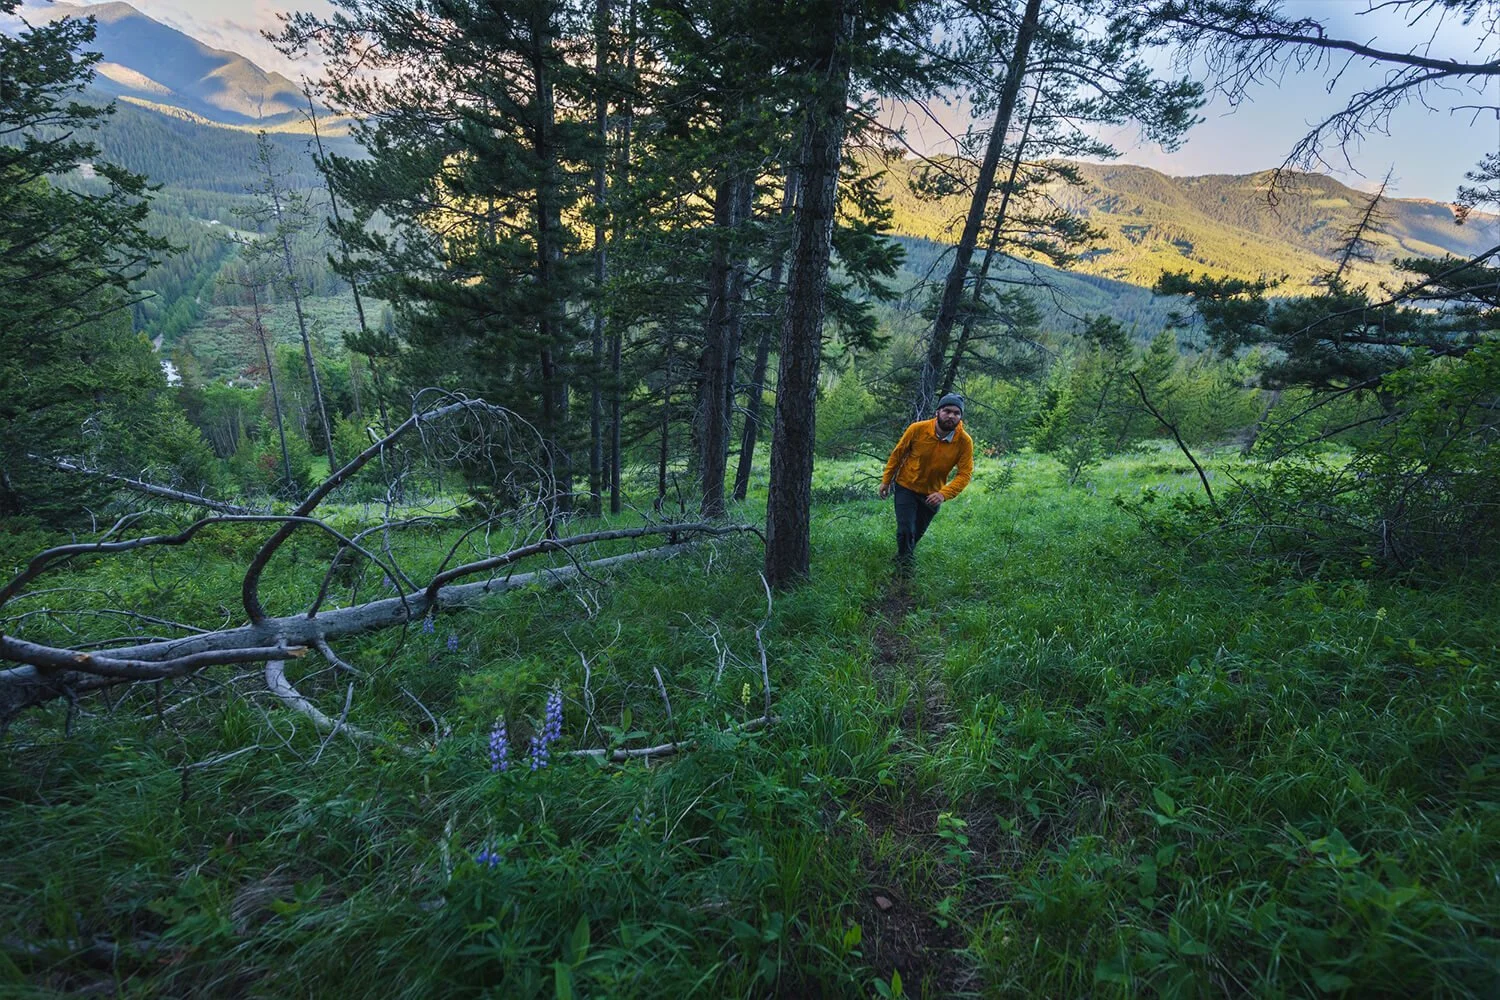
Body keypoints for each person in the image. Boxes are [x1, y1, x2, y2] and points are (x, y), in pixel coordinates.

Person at [879, 393, 974, 573]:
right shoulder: (918, 429)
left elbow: (965, 473)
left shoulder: (964, 442)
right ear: (938, 412)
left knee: (916, 534)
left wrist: (943, 494)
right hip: (906, 486)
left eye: (956, 413)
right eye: (947, 411)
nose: (951, 416)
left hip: (933, 494)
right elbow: (898, 454)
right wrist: (886, 480)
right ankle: (905, 573)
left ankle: (901, 559)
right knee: (905, 530)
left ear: (960, 417)